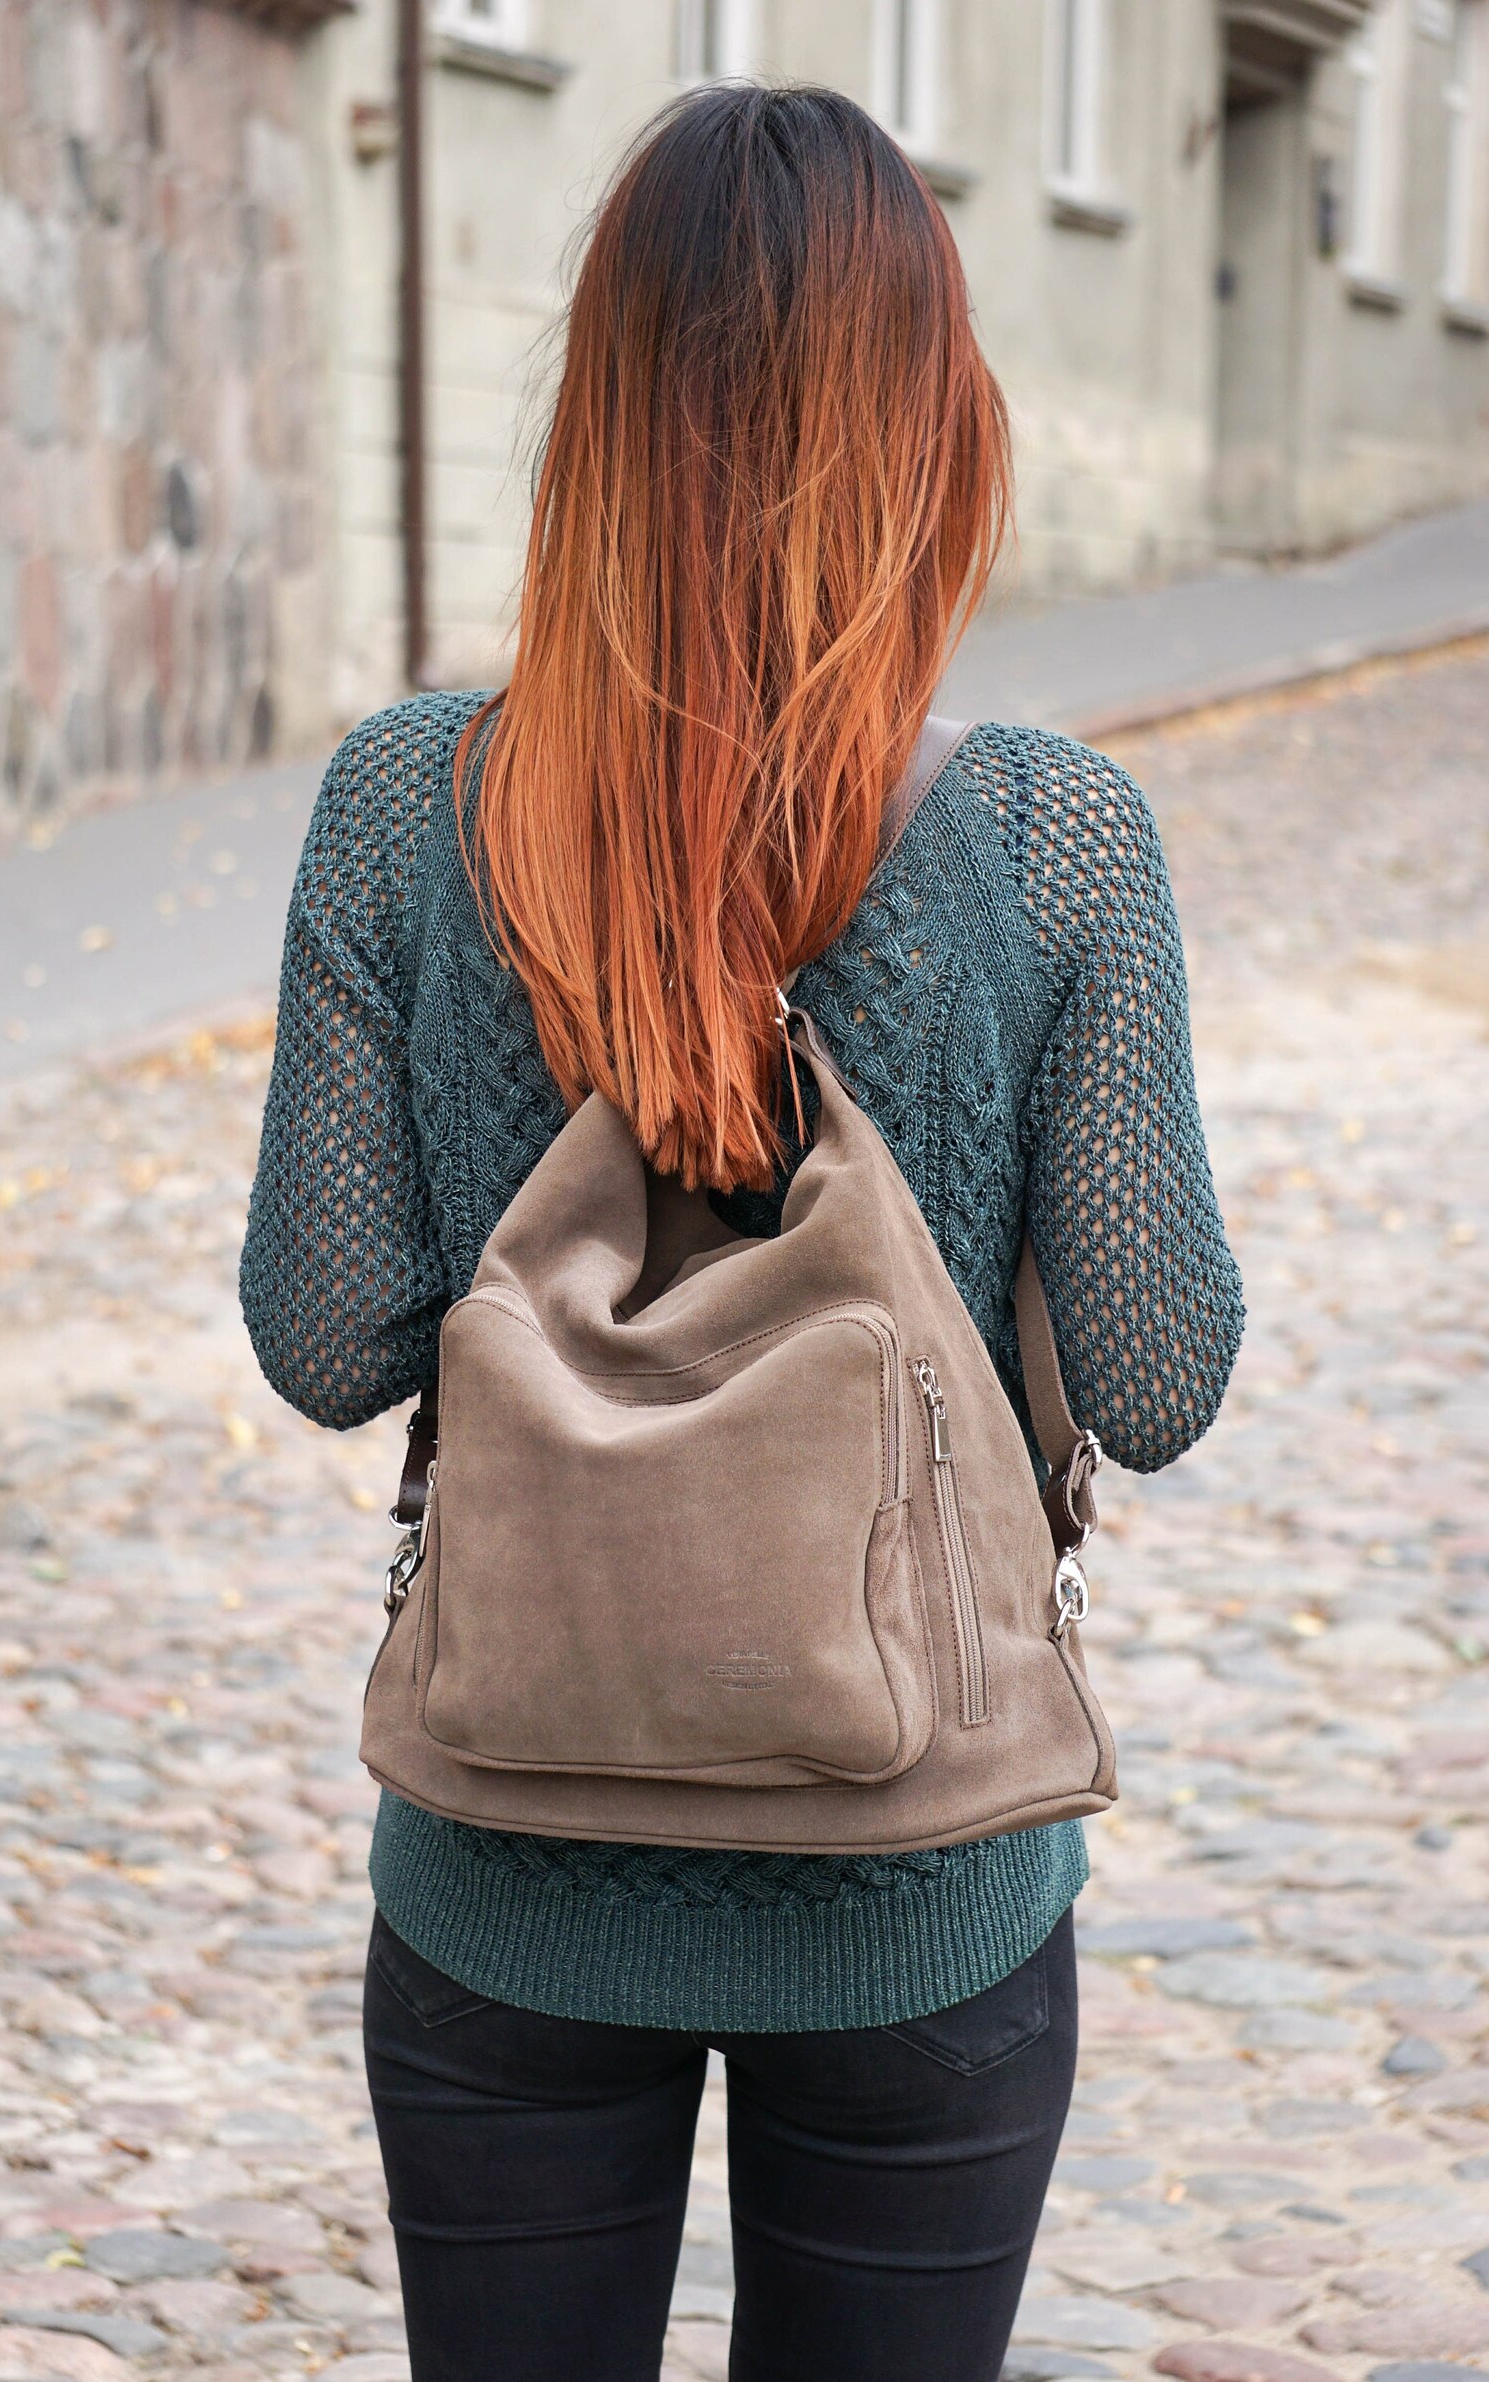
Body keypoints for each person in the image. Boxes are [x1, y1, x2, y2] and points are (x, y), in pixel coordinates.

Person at [241, 82, 1243, 2382]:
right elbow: (1158, 1377)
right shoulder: (1050, 840)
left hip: (507, 1887)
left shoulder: (404, 806)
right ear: (929, 428)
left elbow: (325, 1335)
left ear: (596, 411)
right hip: (922, 1891)